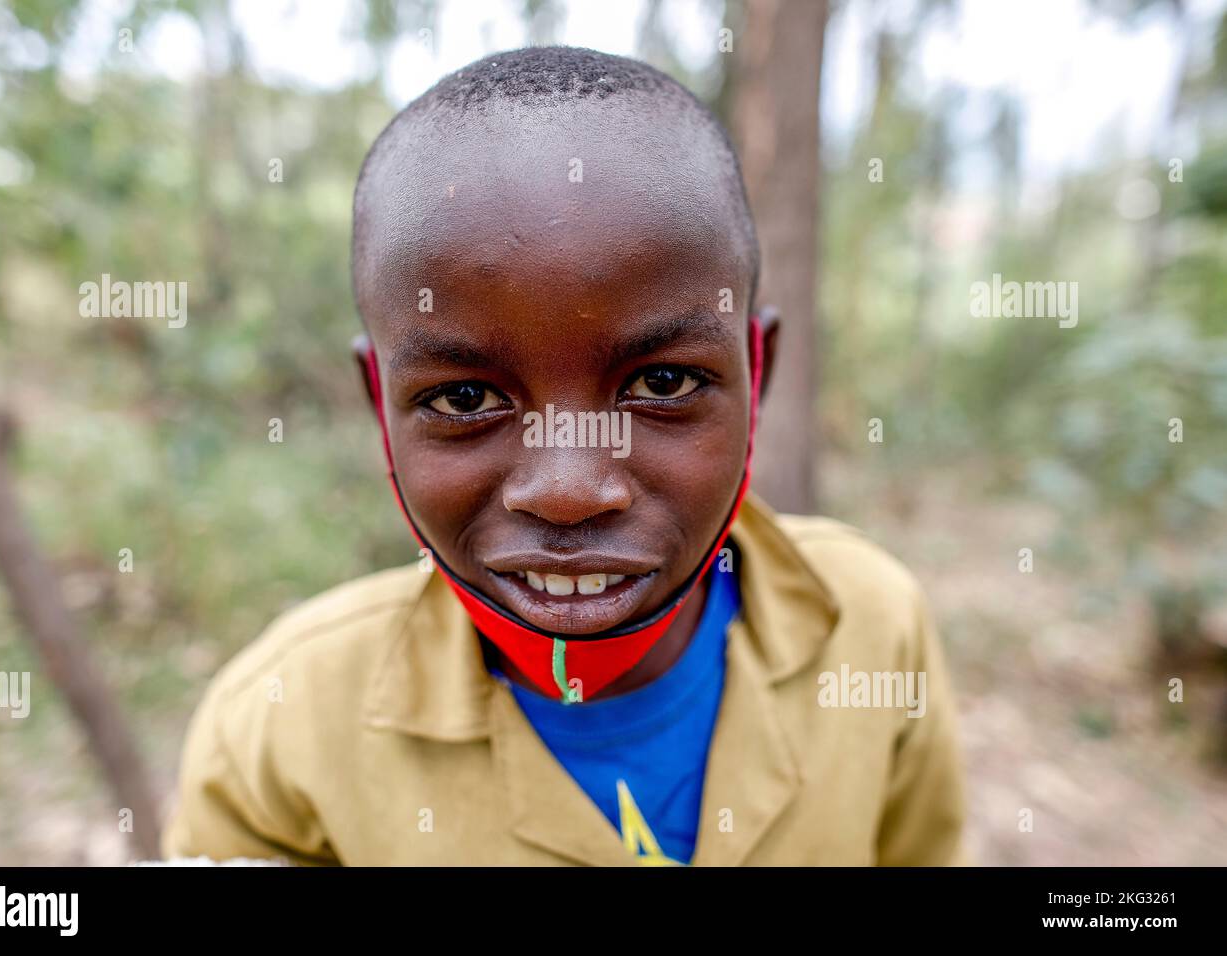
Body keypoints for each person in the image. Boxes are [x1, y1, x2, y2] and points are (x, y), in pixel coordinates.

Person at [163, 46, 966, 866]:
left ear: (758, 377)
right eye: (466, 399)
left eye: (662, 382)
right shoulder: (279, 732)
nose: (569, 491)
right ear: (381, 405)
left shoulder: (874, 628)